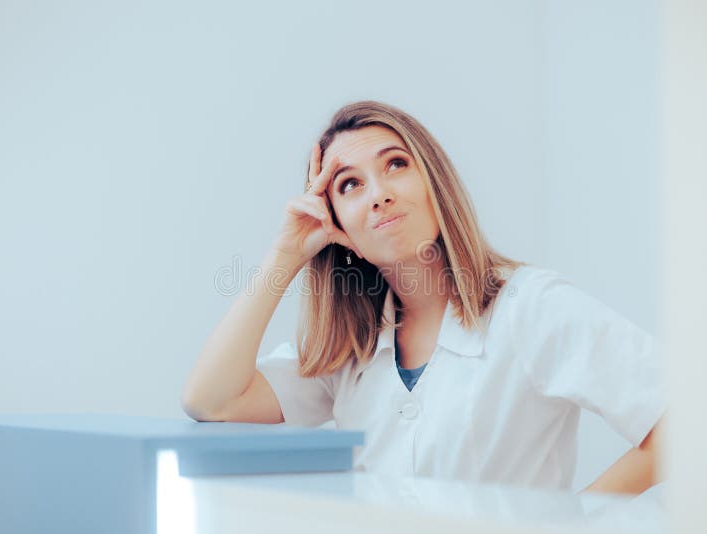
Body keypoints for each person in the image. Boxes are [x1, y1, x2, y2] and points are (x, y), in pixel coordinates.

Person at [181, 100, 667, 495]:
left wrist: (571, 523)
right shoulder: (353, 349)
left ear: (434, 182)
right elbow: (212, 400)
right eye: (350, 184)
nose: (378, 194)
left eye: (396, 164)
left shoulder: (533, 307)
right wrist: (287, 251)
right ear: (337, 224)